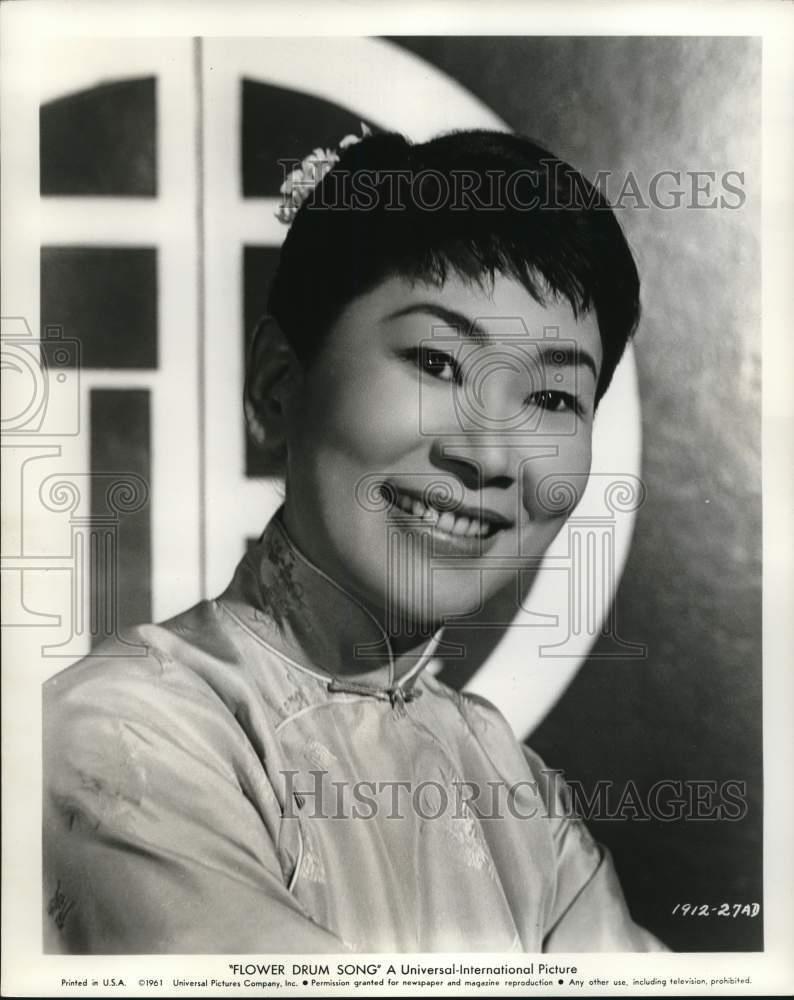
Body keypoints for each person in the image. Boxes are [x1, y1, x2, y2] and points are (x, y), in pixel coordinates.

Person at [43, 128, 667, 953]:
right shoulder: (119, 735)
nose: (487, 453)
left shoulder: (517, 794)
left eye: (553, 398)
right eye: (438, 363)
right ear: (278, 384)